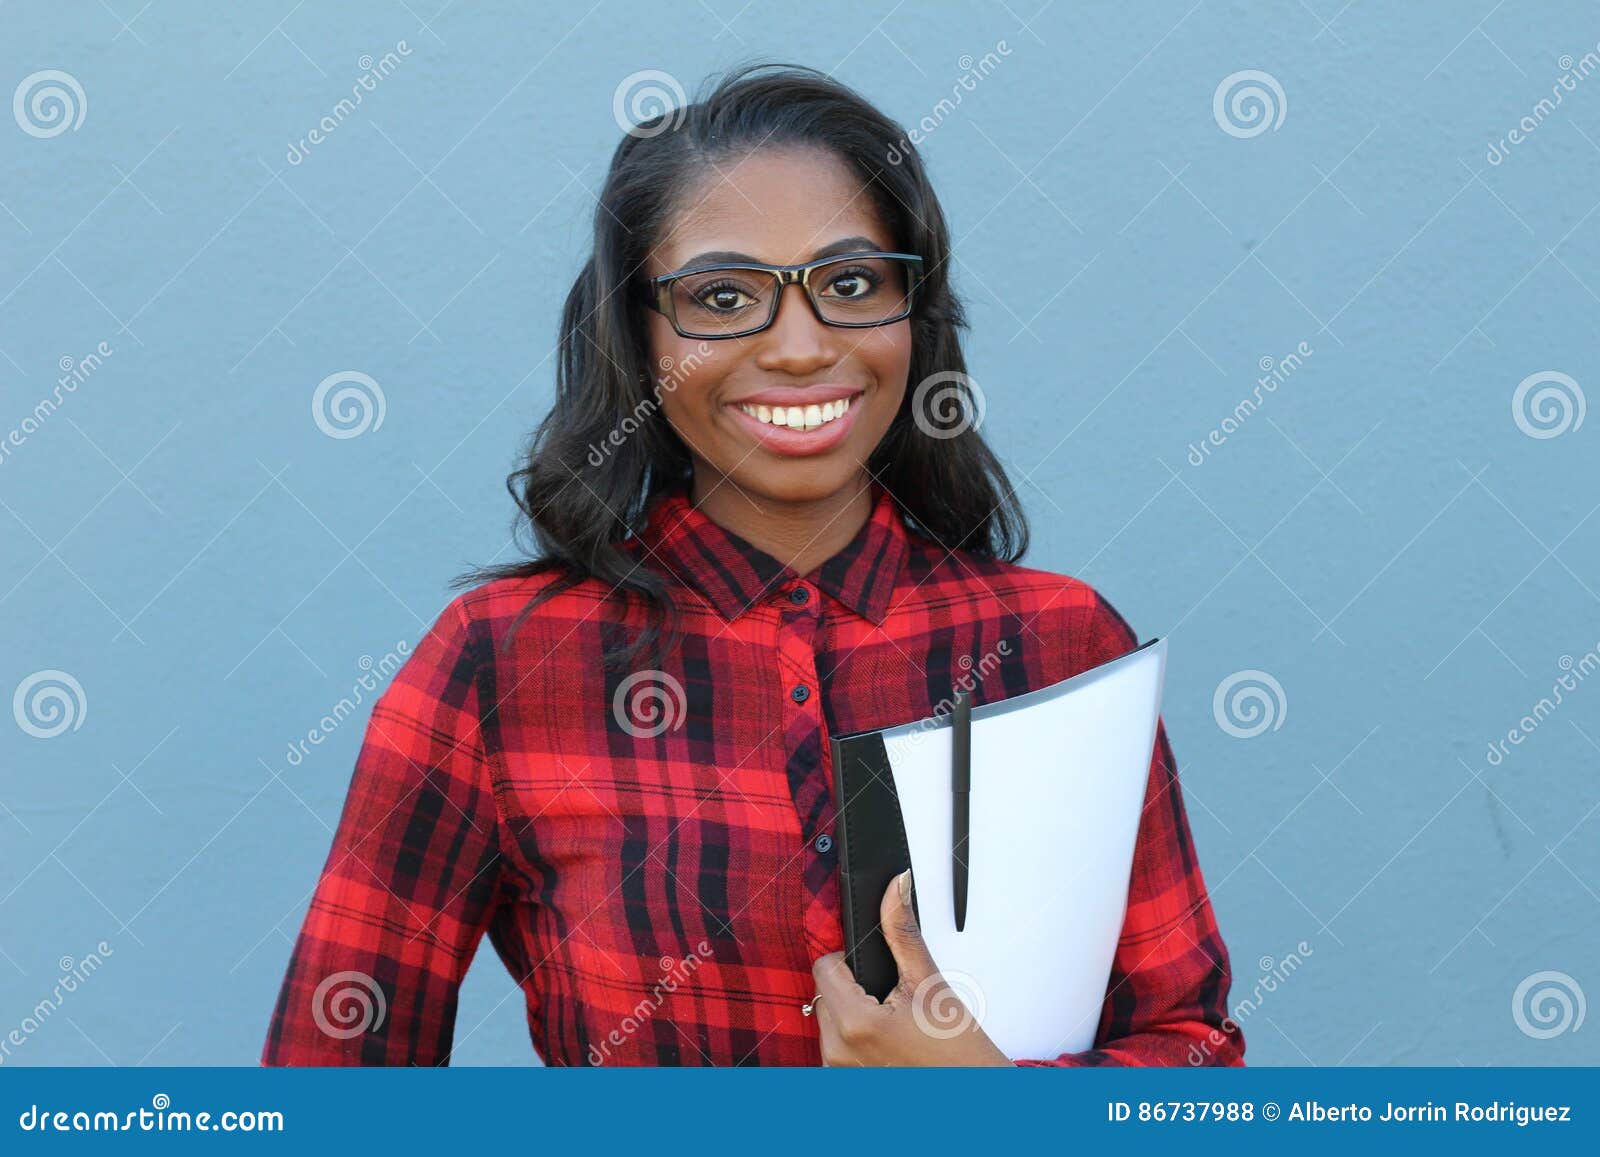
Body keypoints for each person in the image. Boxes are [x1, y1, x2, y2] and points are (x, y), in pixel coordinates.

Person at [261, 61, 1244, 1067]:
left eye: (851, 284)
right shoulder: (501, 663)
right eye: (723, 296)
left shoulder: (1058, 644)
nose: (800, 348)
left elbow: (1195, 1054)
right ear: (637, 335)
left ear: (914, 312)